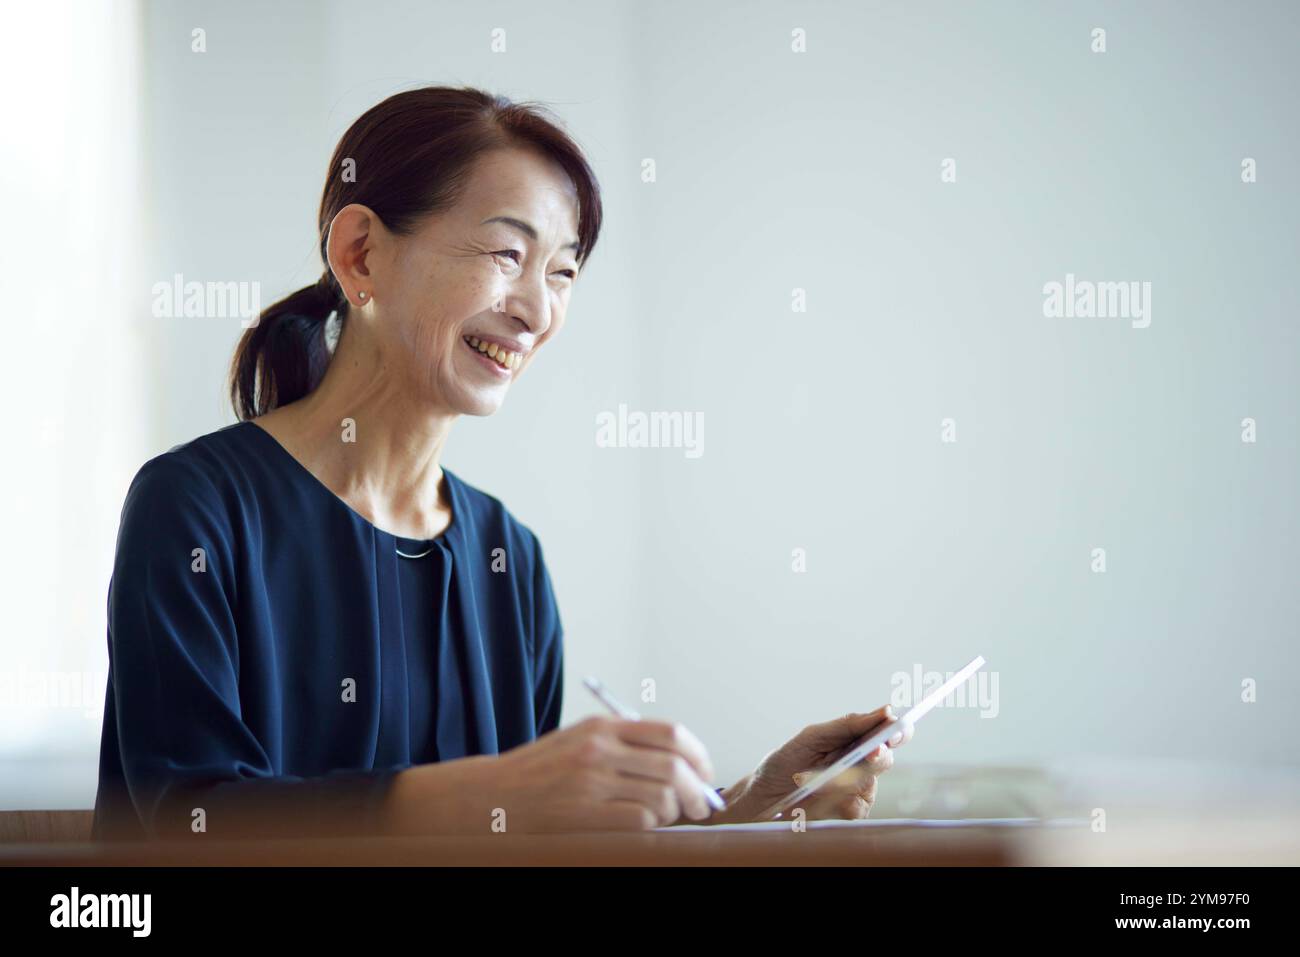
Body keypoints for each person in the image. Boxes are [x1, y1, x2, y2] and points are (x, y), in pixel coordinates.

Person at [93, 86, 910, 841]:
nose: (538, 309)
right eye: (507, 255)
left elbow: (532, 851)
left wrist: (751, 809)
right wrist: (500, 790)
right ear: (362, 255)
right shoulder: (195, 506)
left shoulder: (507, 557)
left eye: (561, 272)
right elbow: (185, 825)